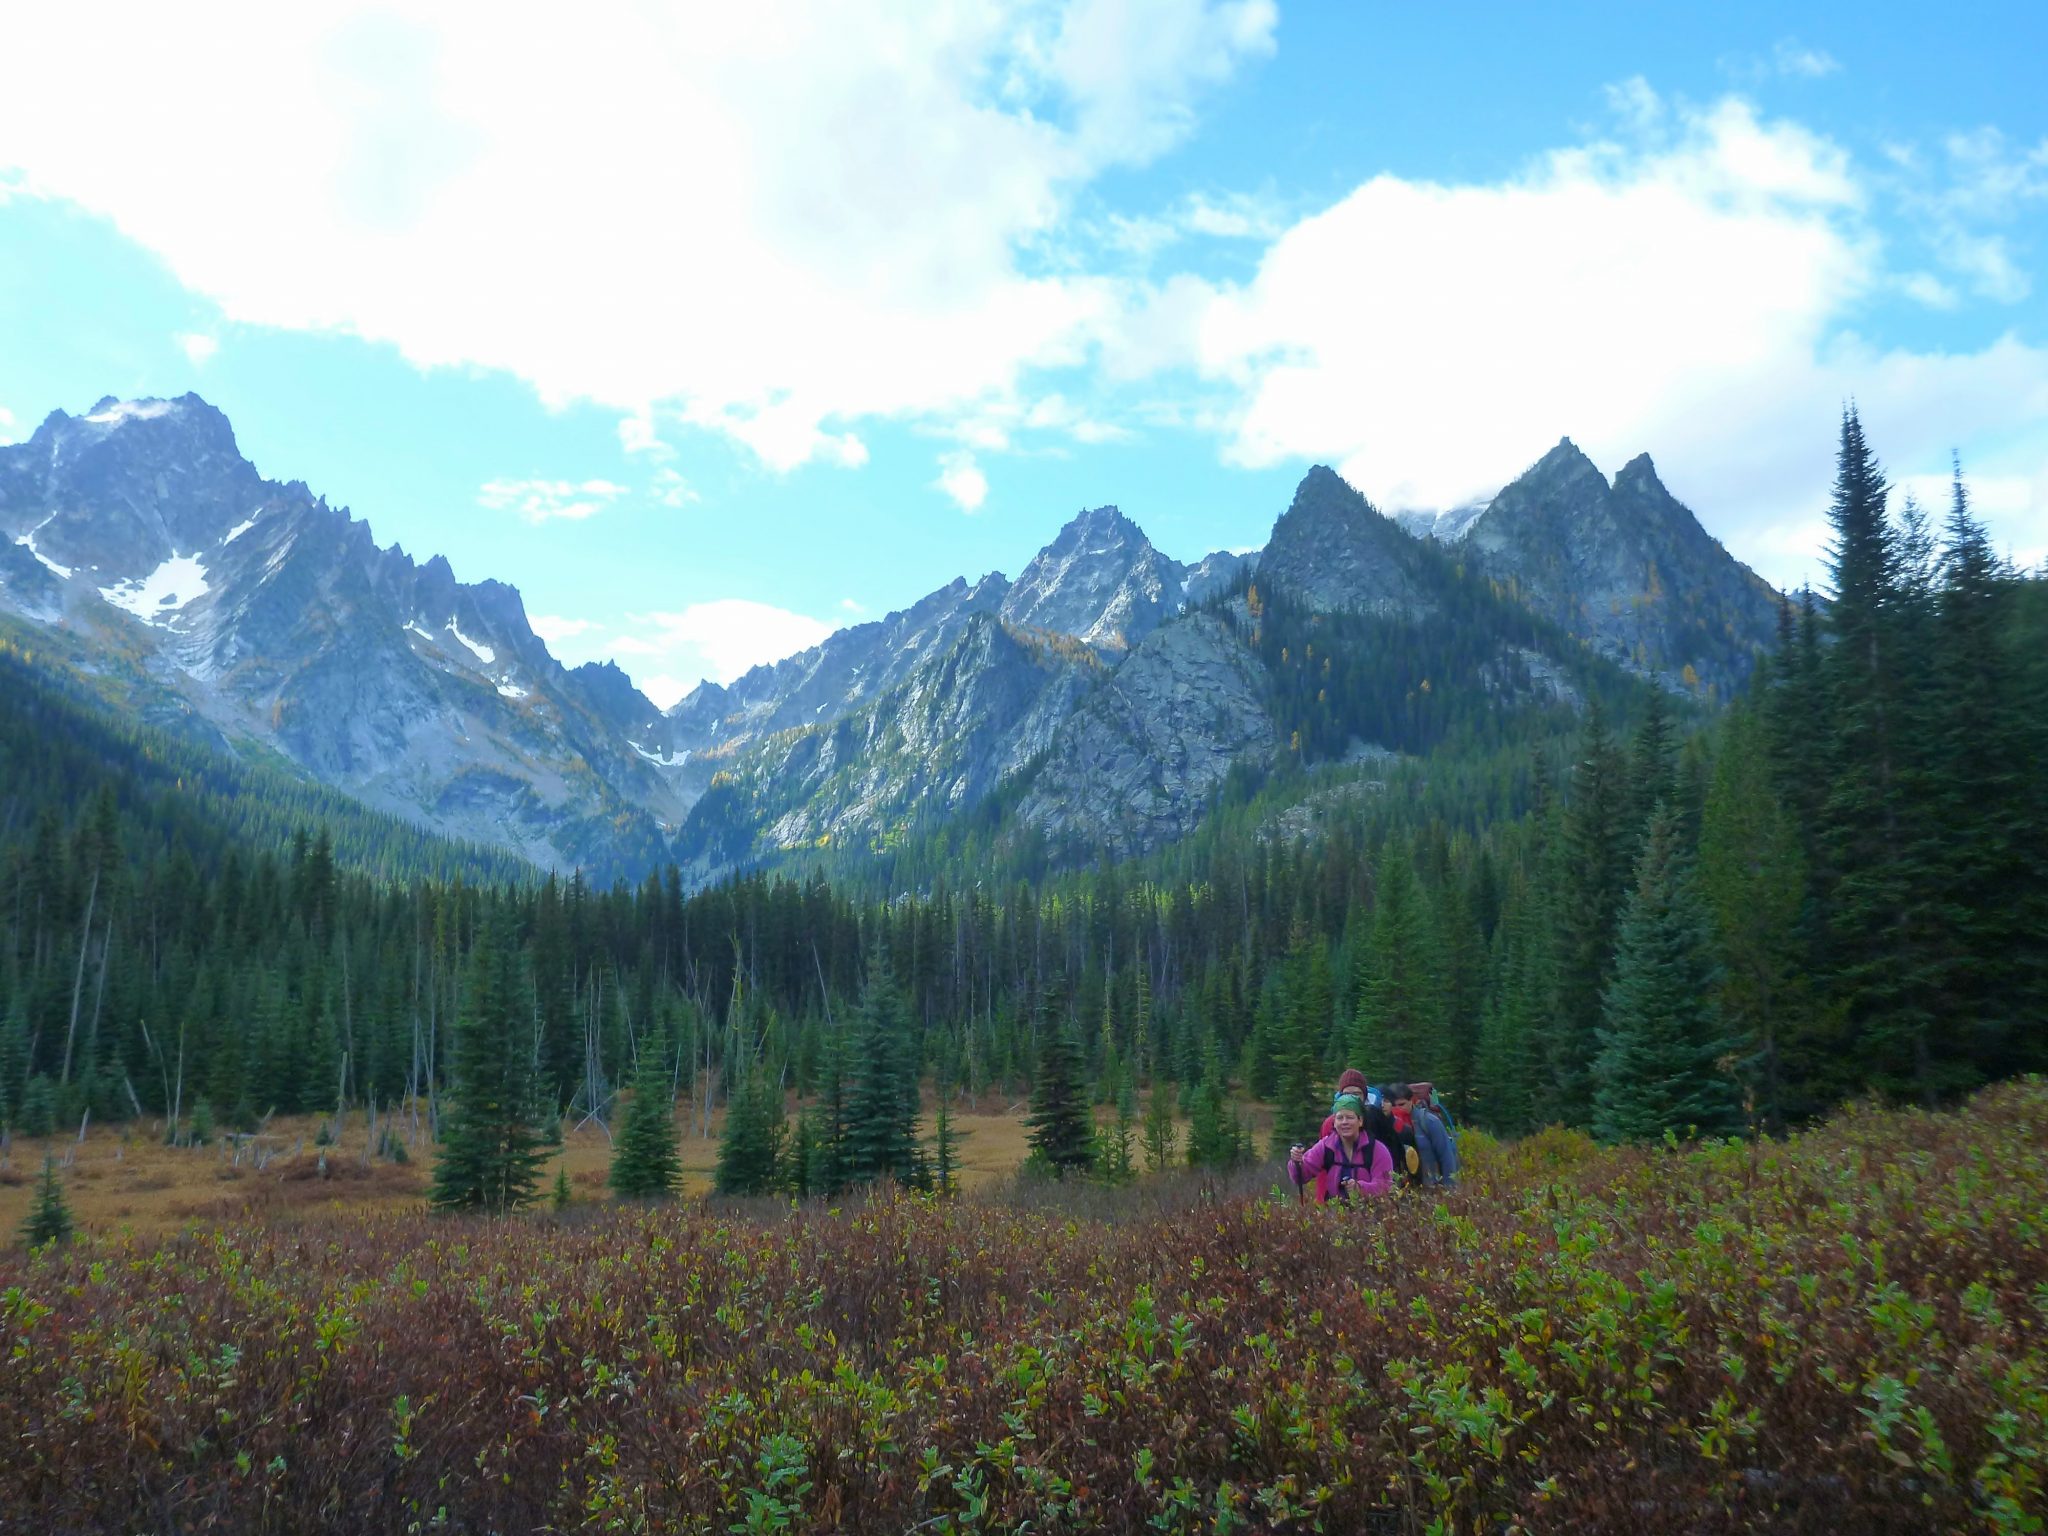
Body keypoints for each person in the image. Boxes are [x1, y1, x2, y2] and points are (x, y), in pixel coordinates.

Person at [1287, 1092, 1393, 1204]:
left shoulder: (1377, 1150)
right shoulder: (1326, 1146)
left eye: (1350, 1117)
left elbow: (1385, 1187)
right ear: (1334, 1122)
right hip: (1333, 1215)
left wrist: (1359, 1188)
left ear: (1360, 1121)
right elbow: (1301, 1177)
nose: (1344, 1122)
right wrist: (1296, 1162)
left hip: (1369, 1215)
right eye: (1340, 1118)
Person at [1390, 1083, 1458, 1187]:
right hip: (1402, 1190)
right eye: (1393, 1106)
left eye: (1401, 1104)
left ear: (1411, 1100)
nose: (1397, 1109)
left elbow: (1446, 1157)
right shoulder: (1387, 1124)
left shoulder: (1429, 1122)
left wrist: (1451, 1190)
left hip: (1432, 1188)